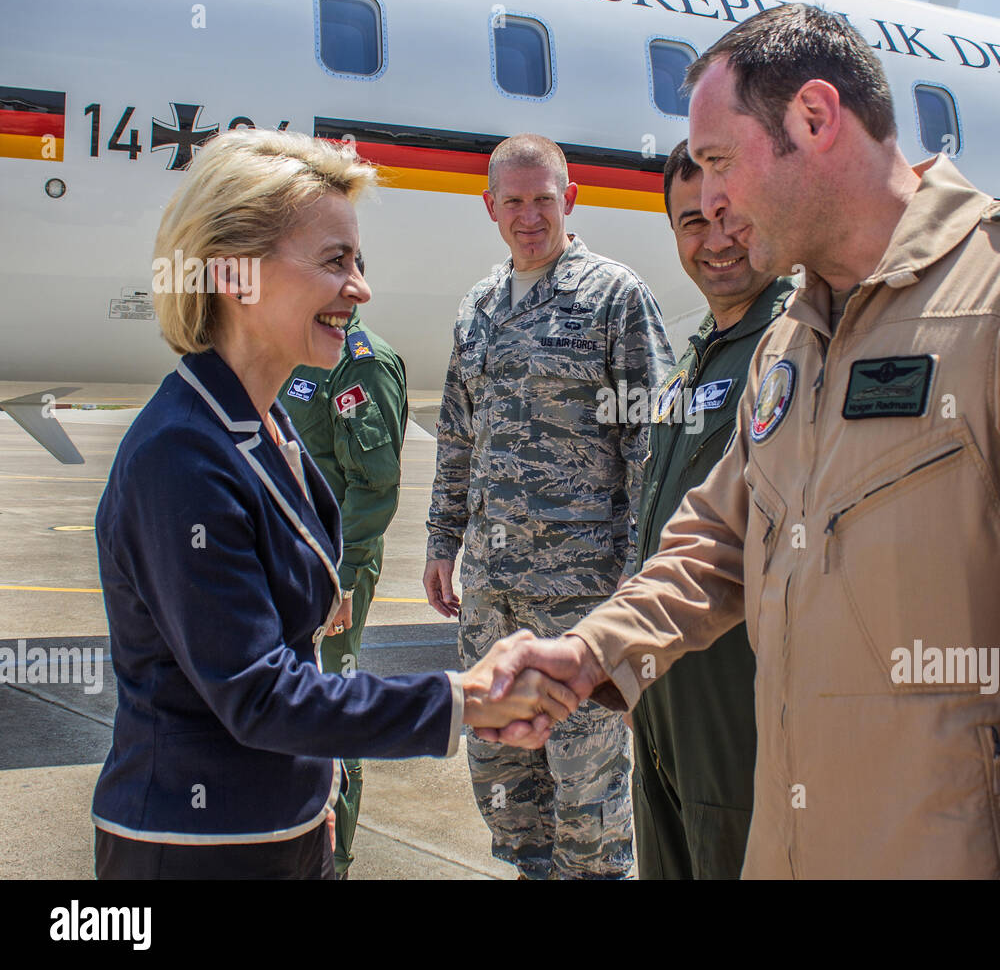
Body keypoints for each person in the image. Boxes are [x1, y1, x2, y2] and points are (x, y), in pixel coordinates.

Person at [477, 5, 1000, 879]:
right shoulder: (795, 339)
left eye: (718, 162)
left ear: (815, 120)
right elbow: (717, 541)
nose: (708, 201)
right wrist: (591, 650)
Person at [92, 128, 577, 880]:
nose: (360, 288)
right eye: (334, 261)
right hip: (200, 852)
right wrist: (465, 697)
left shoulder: (262, 422)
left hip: (281, 829)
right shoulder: (181, 456)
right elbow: (257, 695)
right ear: (236, 275)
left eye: (357, 260)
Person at [424, 133, 675, 879]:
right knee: (507, 790)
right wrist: (442, 541)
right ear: (490, 206)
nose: (529, 215)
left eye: (544, 199)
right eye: (514, 201)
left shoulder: (614, 298)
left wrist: (639, 585)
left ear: (569, 199)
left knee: (589, 802)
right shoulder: (477, 307)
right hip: (492, 605)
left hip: (583, 607)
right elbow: (458, 434)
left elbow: (650, 448)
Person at [631, 140, 793, 879]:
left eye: (730, 215)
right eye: (692, 222)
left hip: (739, 701)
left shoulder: (798, 342)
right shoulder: (695, 355)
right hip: (664, 698)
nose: (716, 239)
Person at [276, 250, 408, 879]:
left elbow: (375, 484)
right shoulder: (305, 348)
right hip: (291, 568)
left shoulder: (361, 363)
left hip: (334, 576)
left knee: (331, 716)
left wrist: (344, 579)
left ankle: (337, 863)